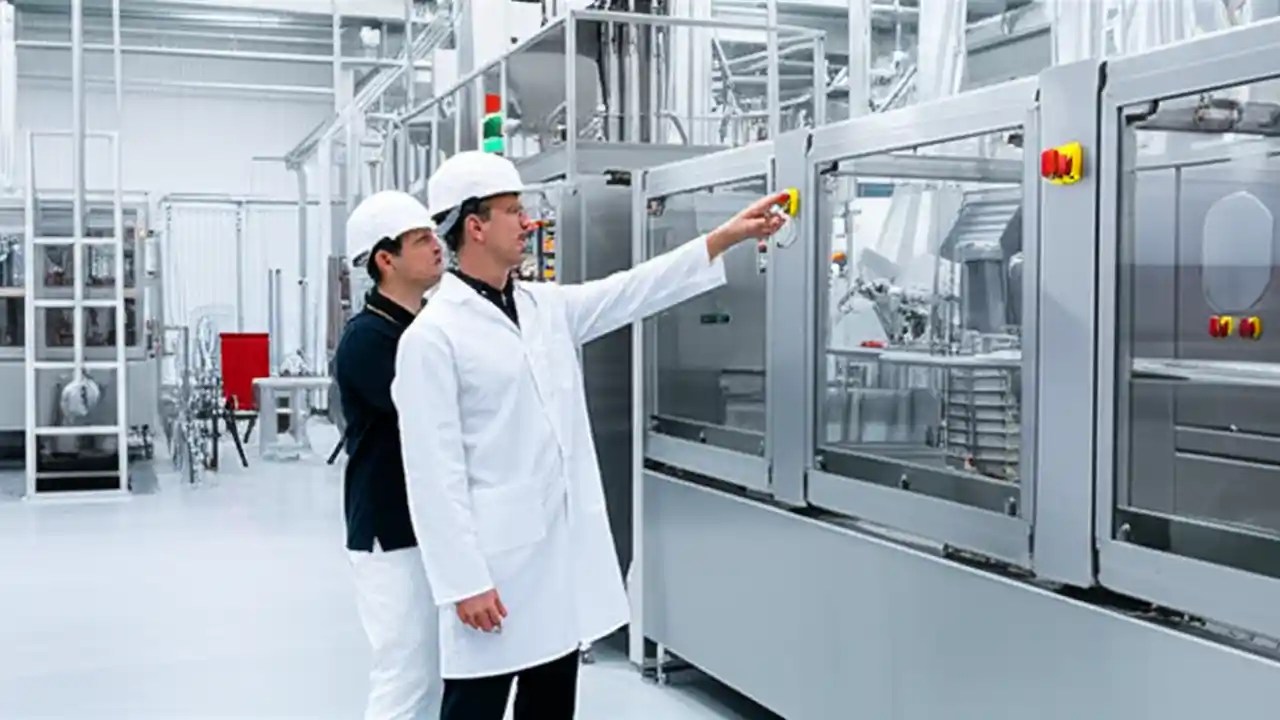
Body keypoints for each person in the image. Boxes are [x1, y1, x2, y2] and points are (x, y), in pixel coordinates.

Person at [391, 150, 789, 720]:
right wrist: (463, 581)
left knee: (551, 705)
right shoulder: (433, 337)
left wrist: (723, 238)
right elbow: (432, 476)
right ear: (475, 226)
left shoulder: (544, 307)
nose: (528, 221)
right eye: (513, 211)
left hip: (556, 562)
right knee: (474, 707)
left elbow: (634, 289)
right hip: (493, 568)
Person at [333, 190, 446, 720]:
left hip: (426, 524)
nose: (437, 247)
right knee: (406, 673)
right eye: (421, 240)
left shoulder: (420, 325)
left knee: (438, 672)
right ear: (385, 259)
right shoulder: (368, 339)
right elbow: (431, 416)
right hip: (389, 530)